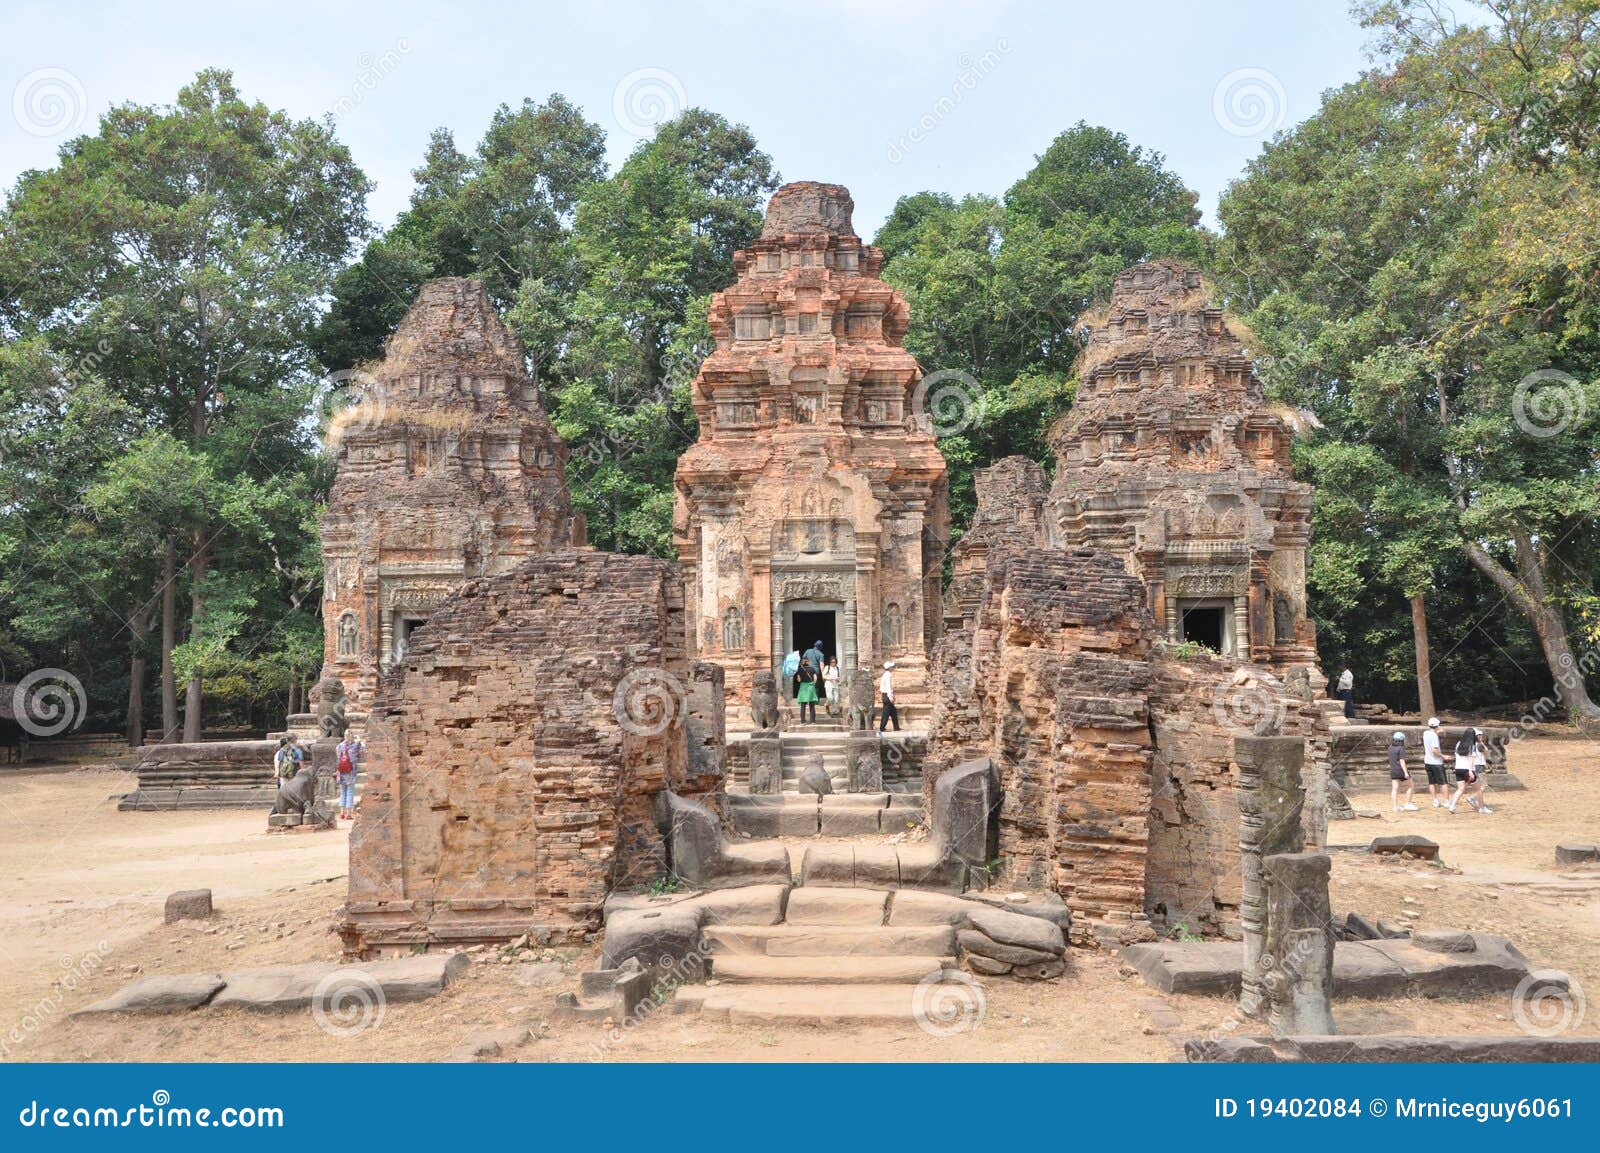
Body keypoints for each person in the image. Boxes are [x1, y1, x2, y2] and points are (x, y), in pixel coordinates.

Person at [1447, 727, 1493, 814]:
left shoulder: (1458, 743)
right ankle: (1482, 808)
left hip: (1458, 769)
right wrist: (1471, 771)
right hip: (1467, 770)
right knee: (1478, 789)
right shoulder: (1472, 745)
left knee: (1460, 789)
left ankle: (1452, 806)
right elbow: (1471, 759)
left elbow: (1457, 756)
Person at [335, 733, 364, 821]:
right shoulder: (354, 747)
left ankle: (341, 813)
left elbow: (338, 757)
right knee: (350, 793)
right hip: (350, 772)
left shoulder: (339, 746)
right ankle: (348, 814)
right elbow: (359, 755)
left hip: (341, 772)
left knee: (342, 793)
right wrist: (358, 740)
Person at [1421, 717, 1448, 807]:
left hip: (1427, 761)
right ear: (1438, 726)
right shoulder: (1434, 736)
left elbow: (1431, 733)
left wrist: (1438, 731)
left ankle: (1435, 800)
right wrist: (1443, 756)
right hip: (1436, 762)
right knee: (1443, 783)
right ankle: (1446, 801)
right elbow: (1434, 750)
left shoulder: (1425, 733)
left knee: (1432, 782)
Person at [1388, 731, 1418, 812]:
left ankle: (1395, 807)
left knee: (1395, 788)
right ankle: (1407, 804)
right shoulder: (1401, 748)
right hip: (1400, 770)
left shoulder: (1390, 747)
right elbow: (1402, 761)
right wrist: (1405, 772)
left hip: (1393, 770)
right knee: (1411, 786)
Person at [878, 660, 900, 734]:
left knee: (893, 712)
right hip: (887, 696)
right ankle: (882, 728)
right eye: (892, 667)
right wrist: (890, 696)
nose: (893, 668)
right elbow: (888, 687)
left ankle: (896, 727)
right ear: (889, 668)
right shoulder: (888, 675)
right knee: (886, 713)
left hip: (885, 695)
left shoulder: (885, 674)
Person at [795, 659, 819, 724]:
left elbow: (799, 680)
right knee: (811, 704)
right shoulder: (812, 669)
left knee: (803, 704)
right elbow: (815, 678)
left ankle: (802, 721)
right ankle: (813, 721)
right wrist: (813, 683)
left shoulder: (800, 670)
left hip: (803, 687)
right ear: (808, 662)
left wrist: (799, 678)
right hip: (810, 686)